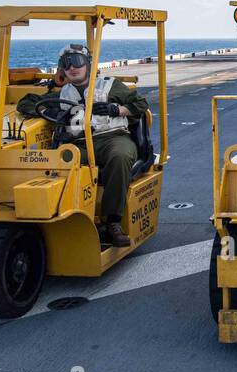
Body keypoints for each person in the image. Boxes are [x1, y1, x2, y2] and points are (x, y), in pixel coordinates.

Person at [17, 44, 149, 248]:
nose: (72, 67)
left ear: (88, 64)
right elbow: (26, 103)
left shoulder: (109, 85)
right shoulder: (62, 94)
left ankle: (112, 222)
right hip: (79, 144)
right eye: (66, 63)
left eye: (77, 61)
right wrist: (50, 109)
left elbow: (140, 104)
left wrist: (117, 109)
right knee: (58, 164)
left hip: (113, 138)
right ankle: (65, 220)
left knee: (120, 156)